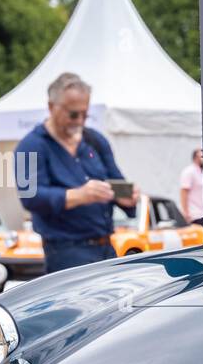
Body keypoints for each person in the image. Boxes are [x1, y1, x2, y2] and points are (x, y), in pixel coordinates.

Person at [15, 72, 139, 274]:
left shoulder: (96, 140)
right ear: (51, 107)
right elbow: (30, 197)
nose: (80, 121)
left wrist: (127, 197)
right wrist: (79, 195)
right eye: (73, 114)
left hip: (106, 246)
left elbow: (116, 182)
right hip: (65, 250)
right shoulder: (29, 146)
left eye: (85, 114)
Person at [180, 147, 203, 225]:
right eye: (201, 156)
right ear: (196, 158)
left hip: (202, 213)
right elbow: (184, 192)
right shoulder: (189, 172)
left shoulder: (201, 172)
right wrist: (186, 213)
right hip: (194, 215)